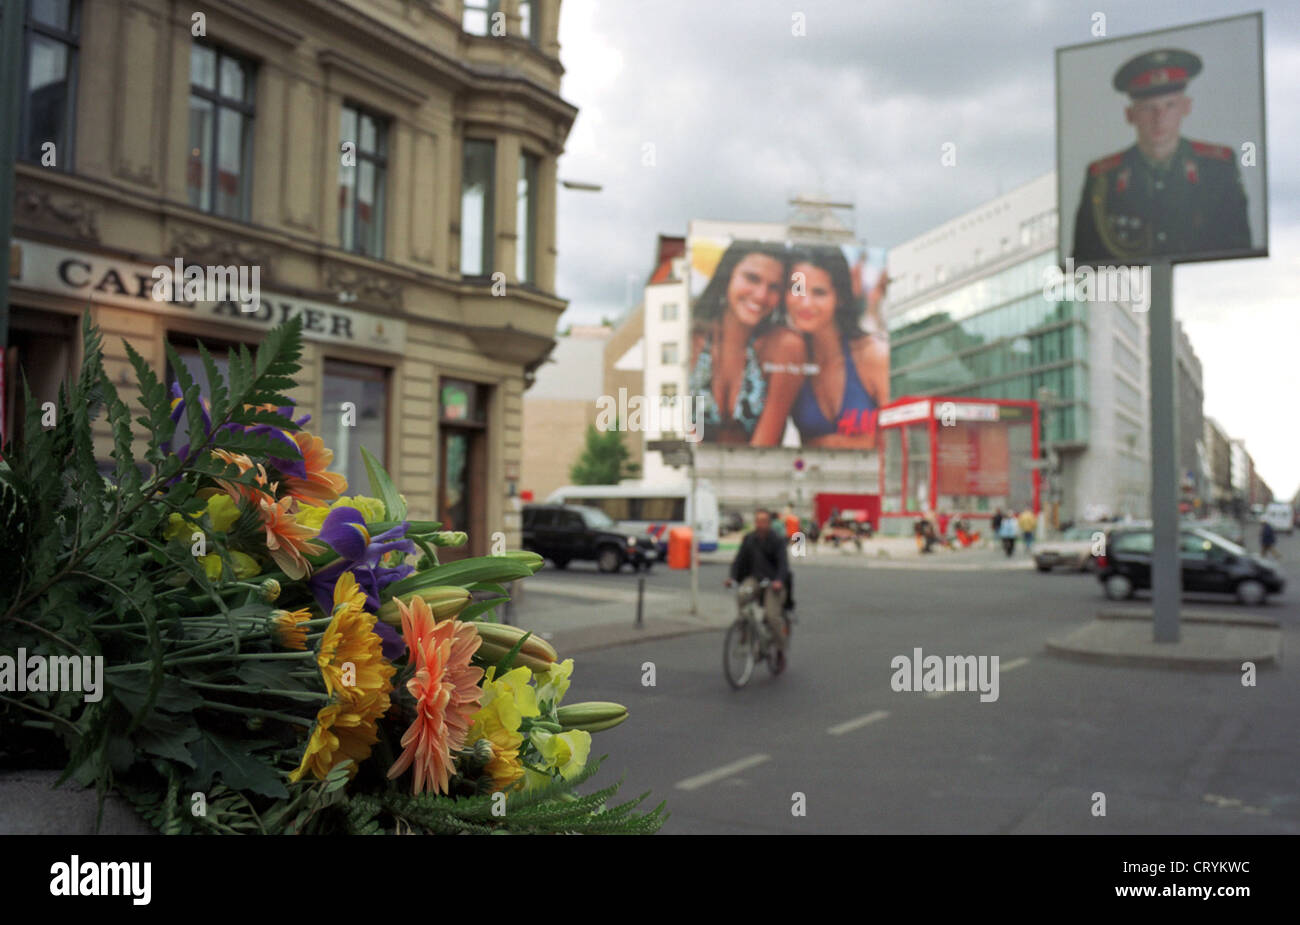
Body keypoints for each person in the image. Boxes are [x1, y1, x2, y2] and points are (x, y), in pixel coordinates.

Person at [1072, 48, 1251, 263]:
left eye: (1170, 105)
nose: (1160, 118)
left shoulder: (1217, 168)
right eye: (1148, 108)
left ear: (1186, 107)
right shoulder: (1103, 177)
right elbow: (1083, 261)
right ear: (1130, 115)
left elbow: (1239, 250)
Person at [688, 241, 806, 446]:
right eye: (752, 278)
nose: (761, 295)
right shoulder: (690, 337)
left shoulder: (784, 347)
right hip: (689, 471)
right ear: (727, 275)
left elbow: (766, 445)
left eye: (774, 287)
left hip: (754, 473)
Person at [785, 245, 890, 449]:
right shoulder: (788, 360)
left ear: (839, 297)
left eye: (819, 292)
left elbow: (899, 440)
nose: (805, 303)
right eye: (797, 289)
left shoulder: (874, 355)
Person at [725, 509, 791, 659]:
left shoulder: (777, 541)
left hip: (773, 582)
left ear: (769, 523)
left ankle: (780, 649)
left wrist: (779, 580)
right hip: (754, 579)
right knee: (742, 595)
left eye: (763, 522)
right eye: (758, 521)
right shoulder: (749, 539)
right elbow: (739, 560)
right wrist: (733, 578)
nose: (760, 525)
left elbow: (783, 565)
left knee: (772, 616)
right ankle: (745, 630)